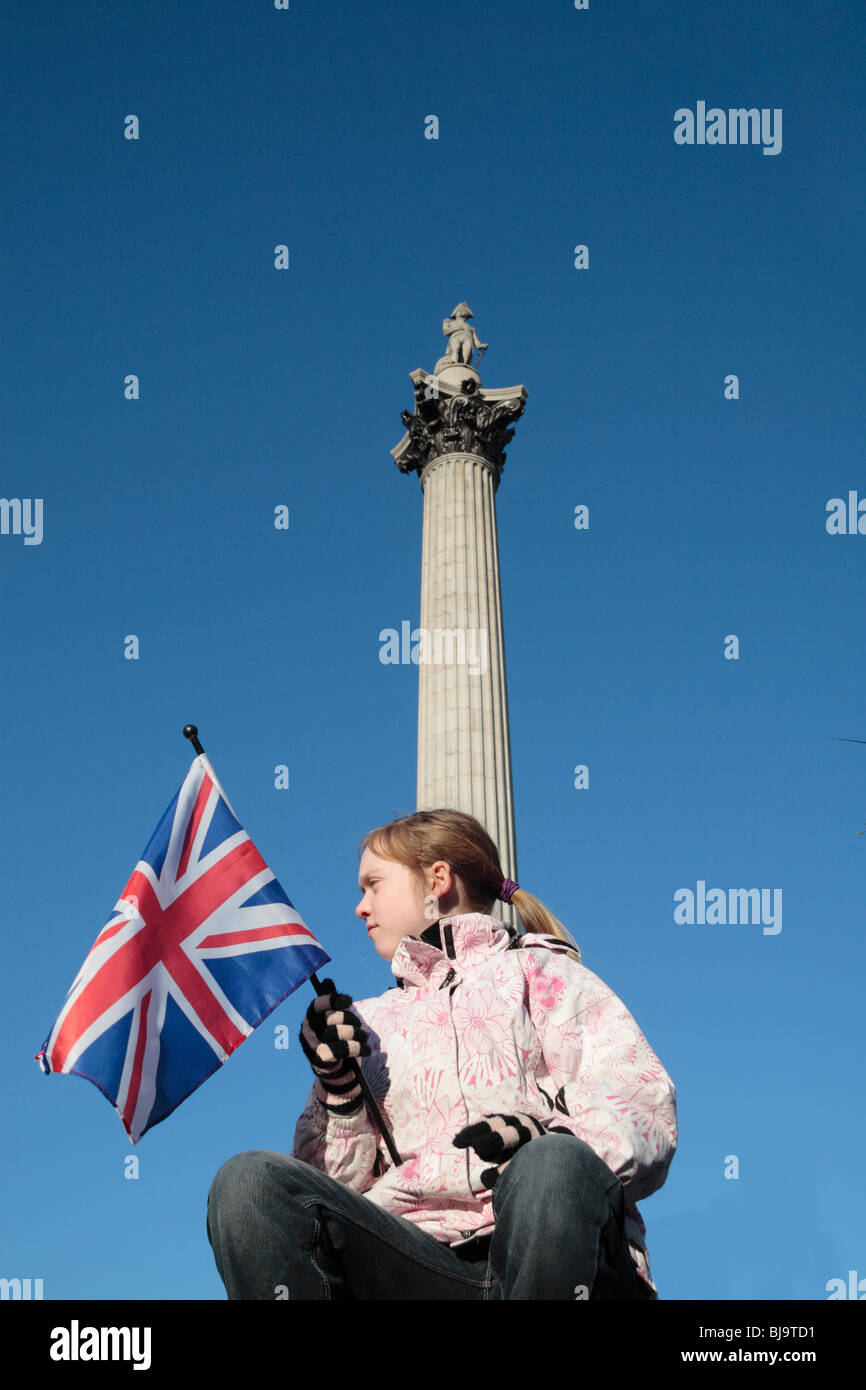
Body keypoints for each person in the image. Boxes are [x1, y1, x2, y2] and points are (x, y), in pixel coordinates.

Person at [206, 809, 677, 1300]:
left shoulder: (545, 974)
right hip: (415, 1263)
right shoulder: (370, 1023)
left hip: (551, 1251)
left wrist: (545, 1138)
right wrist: (339, 1090)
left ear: (437, 880)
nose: (360, 908)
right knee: (249, 1182)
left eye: (373, 884)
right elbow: (330, 1197)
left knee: (552, 1165)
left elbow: (643, 1107)